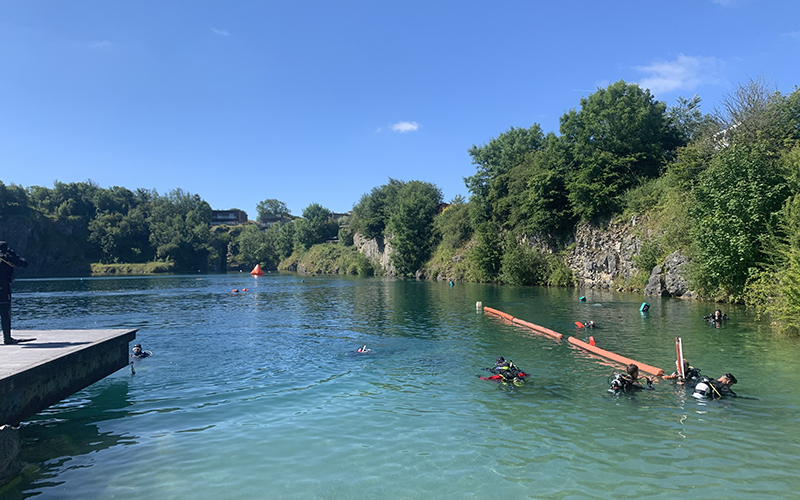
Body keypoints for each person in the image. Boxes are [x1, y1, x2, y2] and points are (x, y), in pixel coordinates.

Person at [0, 241, 29, 345]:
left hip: (4, 287)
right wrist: (9, 256)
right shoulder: (8, 256)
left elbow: (24, 264)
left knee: (5, 313)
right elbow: (23, 263)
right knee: (5, 313)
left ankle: (8, 338)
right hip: (4, 288)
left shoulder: (7, 256)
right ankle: (7, 338)